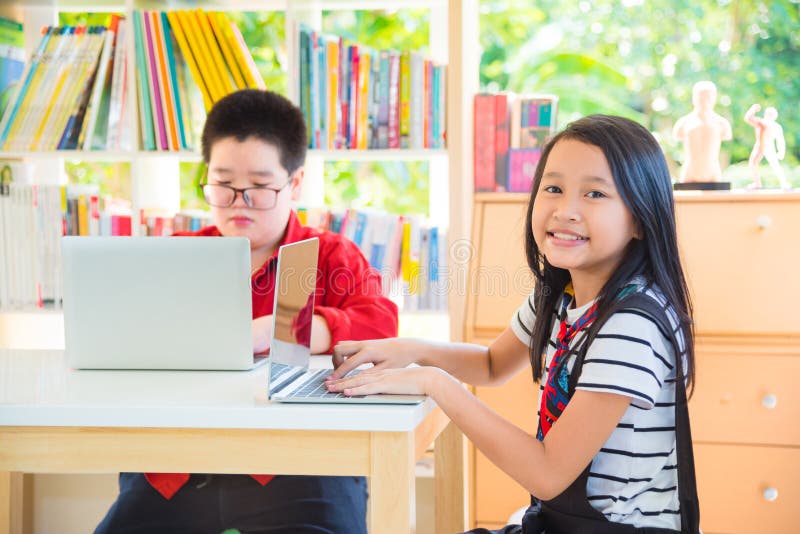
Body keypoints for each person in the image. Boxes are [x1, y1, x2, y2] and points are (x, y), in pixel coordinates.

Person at [327, 115, 700, 533]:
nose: (565, 210)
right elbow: (491, 365)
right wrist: (412, 349)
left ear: (639, 218)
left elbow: (547, 473)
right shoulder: (560, 296)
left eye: (595, 193)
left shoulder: (631, 323)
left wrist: (434, 381)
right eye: (553, 188)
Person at [95, 89, 399, 534]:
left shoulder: (330, 255)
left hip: (301, 466)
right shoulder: (175, 257)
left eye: (259, 186)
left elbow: (381, 323)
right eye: (223, 184)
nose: (239, 202)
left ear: (294, 183)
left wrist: (279, 331)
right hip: (177, 468)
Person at [672, 80, 732, 182]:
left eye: (708, 96)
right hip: (689, 174)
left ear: (714, 98)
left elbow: (727, 136)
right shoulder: (683, 123)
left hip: (713, 175)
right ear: (693, 98)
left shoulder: (722, 123)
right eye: (701, 96)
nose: (704, 100)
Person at [744, 104, 790, 189]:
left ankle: (784, 183)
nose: (769, 116)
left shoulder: (775, 126)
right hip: (759, 146)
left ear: (775, 116)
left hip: (768, 147)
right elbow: (748, 118)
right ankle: (757, 183)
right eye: (768, 114)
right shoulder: (761, 122)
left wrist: (781, 152)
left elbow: (780, 140)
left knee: (775, 165)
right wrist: (753, 109)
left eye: (771, 114)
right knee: (753, 163)